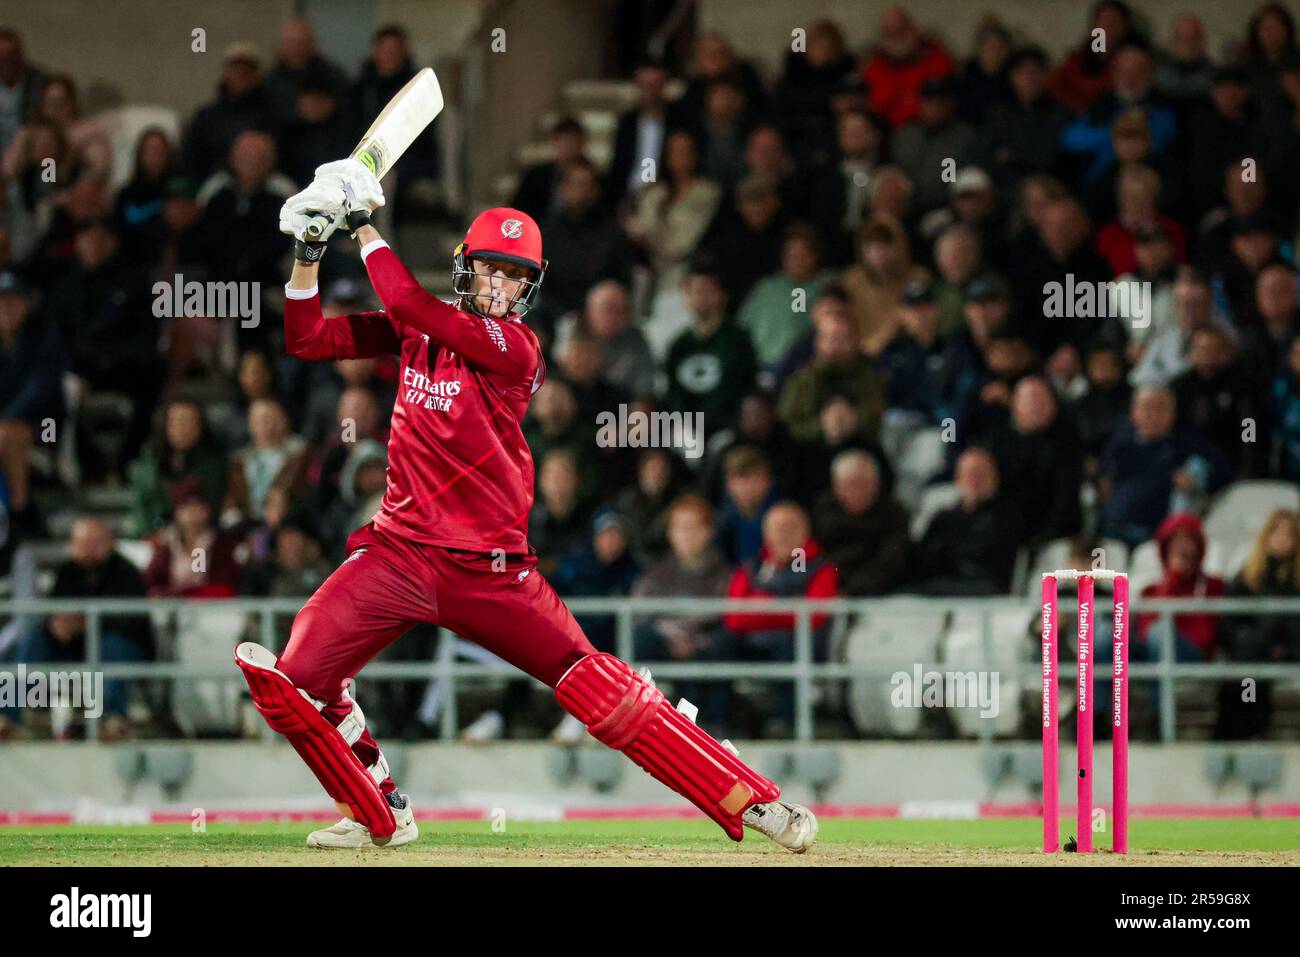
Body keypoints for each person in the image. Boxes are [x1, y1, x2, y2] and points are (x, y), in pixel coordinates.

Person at [255, 163, 816, 851]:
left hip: (489, 570)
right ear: (466, 268)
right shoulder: (418, 330)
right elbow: (306, 337)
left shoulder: (515, 347)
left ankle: (752, 799)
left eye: (513, 277)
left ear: (530, 286)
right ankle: (379, 808)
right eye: (489, 270)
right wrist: (309, 252)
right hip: (398, 552)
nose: (499, 286)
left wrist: (363, 224)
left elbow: (409, 304)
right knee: (299, 675)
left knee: (596, 688)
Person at [1216, 509, 1300, 738]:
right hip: (1252, 655)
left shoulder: (1296, 581)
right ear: (1266, 536)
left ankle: (1240, 727)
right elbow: (1228, 623)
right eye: (1276, 532)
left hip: (1286, 654)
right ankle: (1247, 724)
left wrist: (1285, 648)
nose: (1282, 539)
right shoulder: (1247, 577)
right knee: (1249, 668)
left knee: (1248, 667)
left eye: (1289, 534)